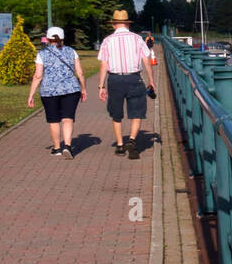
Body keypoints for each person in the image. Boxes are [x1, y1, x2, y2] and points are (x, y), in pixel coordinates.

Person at [97, 9, 153, 159]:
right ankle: (132, 140)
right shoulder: (137, 38)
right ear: (127, 24)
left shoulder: (107, 41)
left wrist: (101, 86)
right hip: (134, 78)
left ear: (114, 24)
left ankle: (120, 145)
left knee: (116, 114)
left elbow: (103, 65)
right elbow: (146, 60)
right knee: (137, 112)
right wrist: (151, 81)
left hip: (115, 80)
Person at [27, 26, 87, 158]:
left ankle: (57, 148)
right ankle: (67, 145)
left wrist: (31, 94)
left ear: (48, 39)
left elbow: (38, 76)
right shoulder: (71, 51)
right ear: (63, 38)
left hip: (49, 92)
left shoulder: (42, 54)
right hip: (71, 90)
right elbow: (80, 72)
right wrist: (83, 88)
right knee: (68, 118)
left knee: (53, 120)